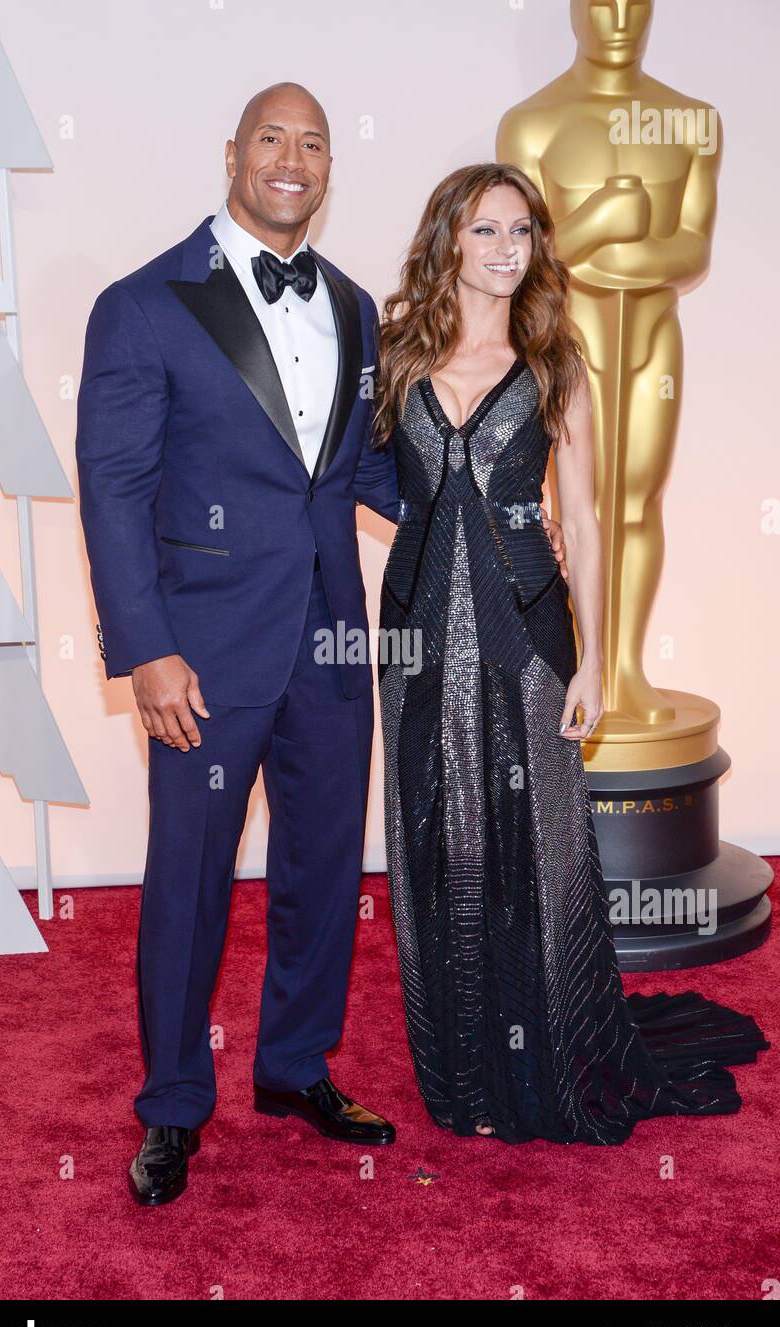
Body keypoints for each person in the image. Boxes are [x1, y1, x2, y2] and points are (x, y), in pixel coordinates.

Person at [76, 82, 441, 1205]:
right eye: (272, 140)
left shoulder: (353, 306)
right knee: (187, 880)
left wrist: (501, 510)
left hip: (332, 642)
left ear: (330, 169)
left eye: (313, 144)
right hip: (202, 652)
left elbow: (367, 477)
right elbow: (114, 487)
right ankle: (175, 1104)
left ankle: (291, 1068)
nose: (292, 160)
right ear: (232, 153)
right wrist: (144, 647)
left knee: (326, 872)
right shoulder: (142, 305)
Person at [373, 162, 769, 1144]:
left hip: (525, 624)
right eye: (484, 232)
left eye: (520, 232)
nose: (506, 250)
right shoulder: (395, 358)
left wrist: (593, 660)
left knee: (538, 841)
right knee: (435, 836)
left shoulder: (556, 361)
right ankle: (459, 1068)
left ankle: (540, 1050)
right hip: (417, 628)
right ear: (446, 243)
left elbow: (586, 520)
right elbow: (355, 480)